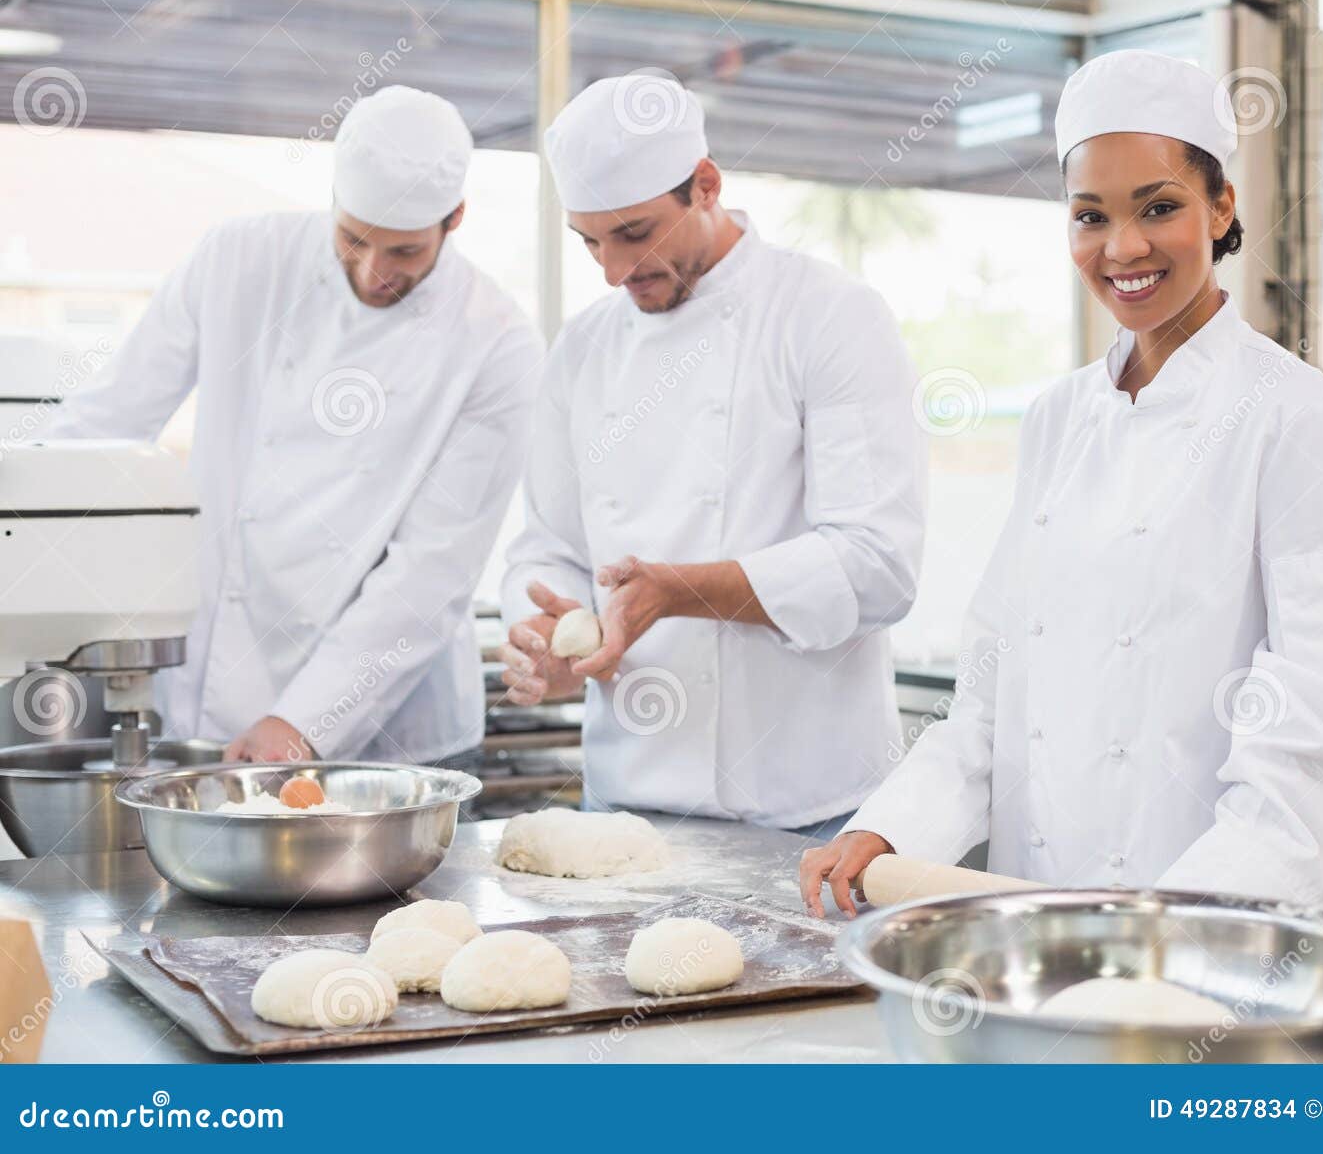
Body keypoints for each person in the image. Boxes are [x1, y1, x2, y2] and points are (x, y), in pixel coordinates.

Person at [801, 49, 1323, 916]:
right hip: (1034, 920)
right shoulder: (1056, 418)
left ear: (1221, 206)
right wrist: (890, 829)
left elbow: (1310, 737)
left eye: (1159, 207)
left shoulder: (1299, 418)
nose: (1123, 247)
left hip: (1211, 923)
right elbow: (990, 702)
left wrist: (1176, 924)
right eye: (1090, 216)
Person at [45, 86, 543, 765]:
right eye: (354, 239)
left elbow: (432, 569)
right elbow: (104, 424)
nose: (373, 272)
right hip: (214, 696)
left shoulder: (498, 341)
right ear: (333, 199)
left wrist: (305, 720)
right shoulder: (239, 259)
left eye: (403, 252)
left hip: (392, 737)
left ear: (454, 219)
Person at [498, 73, 926, 835]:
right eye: (589, 241)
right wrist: (546, 631)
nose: (613, 270)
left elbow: (877, 565)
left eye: (634, 233)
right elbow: (549, 545)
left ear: (706, 185)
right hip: (625, 807)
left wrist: (677, 591)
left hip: (811, 812)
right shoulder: (583, 348)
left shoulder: (829, 316)